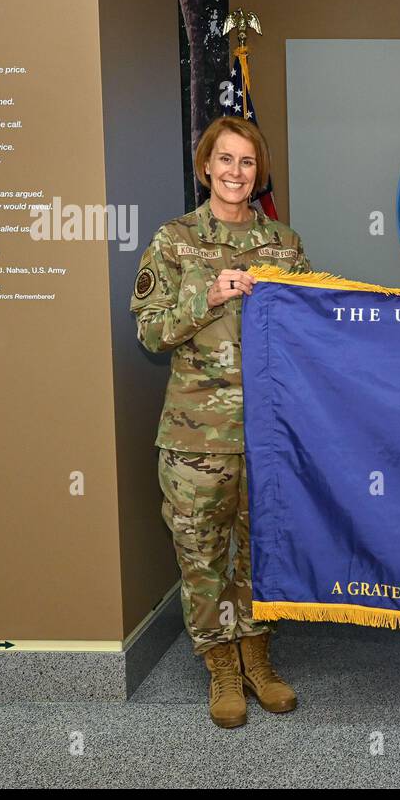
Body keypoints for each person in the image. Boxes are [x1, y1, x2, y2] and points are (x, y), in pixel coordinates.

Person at [131, 116, 311, 729]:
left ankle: (258, 658)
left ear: (260, 173)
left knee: (260, 552)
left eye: (248, 163)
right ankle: (222, 667)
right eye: (225, 160)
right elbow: (149, 331)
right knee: (201, 552)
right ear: (205, 166)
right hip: (195, 435)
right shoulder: (174, 241)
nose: (236, 172)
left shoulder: (283, 245)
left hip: (268, 434)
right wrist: (206, 295)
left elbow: (313, 329)